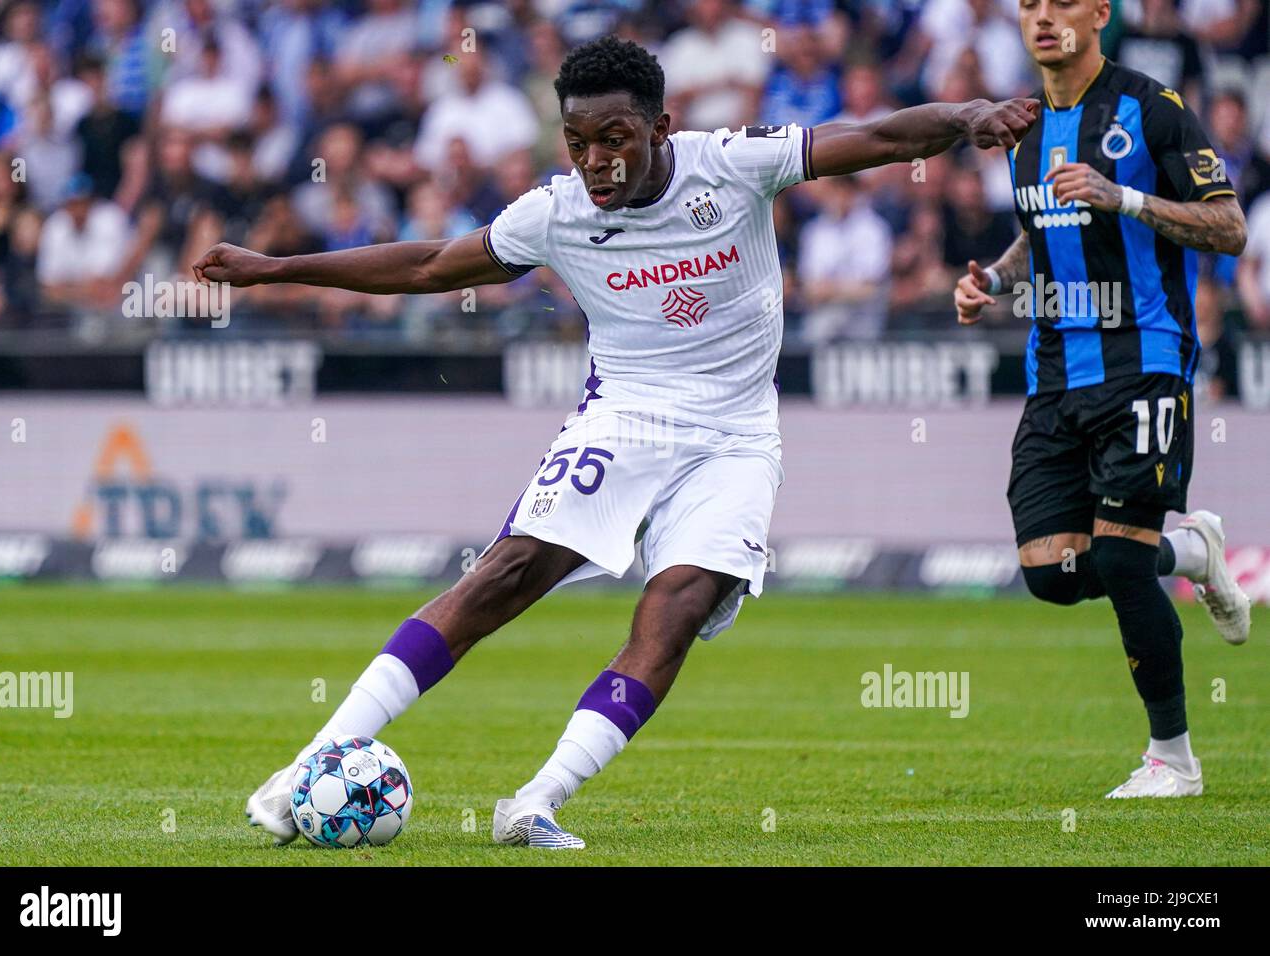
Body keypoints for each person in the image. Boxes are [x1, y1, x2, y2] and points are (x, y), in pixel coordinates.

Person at [195, 35, 1036, 850]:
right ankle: (308, 763)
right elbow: (427, 268)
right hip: (624, 418)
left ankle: (535, 801)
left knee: (675, 609)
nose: (595, 161)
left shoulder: (733, 165)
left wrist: (968, 114)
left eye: (614, 139)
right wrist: (276, 269)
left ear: (660, 128)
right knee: (504, 576)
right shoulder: (555, 213)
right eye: (578, 142)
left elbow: (880, 137)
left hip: (737, 438)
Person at [953, 0, 1251, 800]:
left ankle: (1174, 760)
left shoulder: (1152, 109)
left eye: (1061, 3)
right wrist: (994, 279)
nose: (1044, 18)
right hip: (1054, 374)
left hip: (1146, 360)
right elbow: (1040, 231)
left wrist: (1125, 198)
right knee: (1050, 573)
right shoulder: (1020, 128)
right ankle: (1192, 552)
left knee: (1119, 557)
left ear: (1100, 13)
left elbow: (1229, 228)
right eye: (1030, 5)